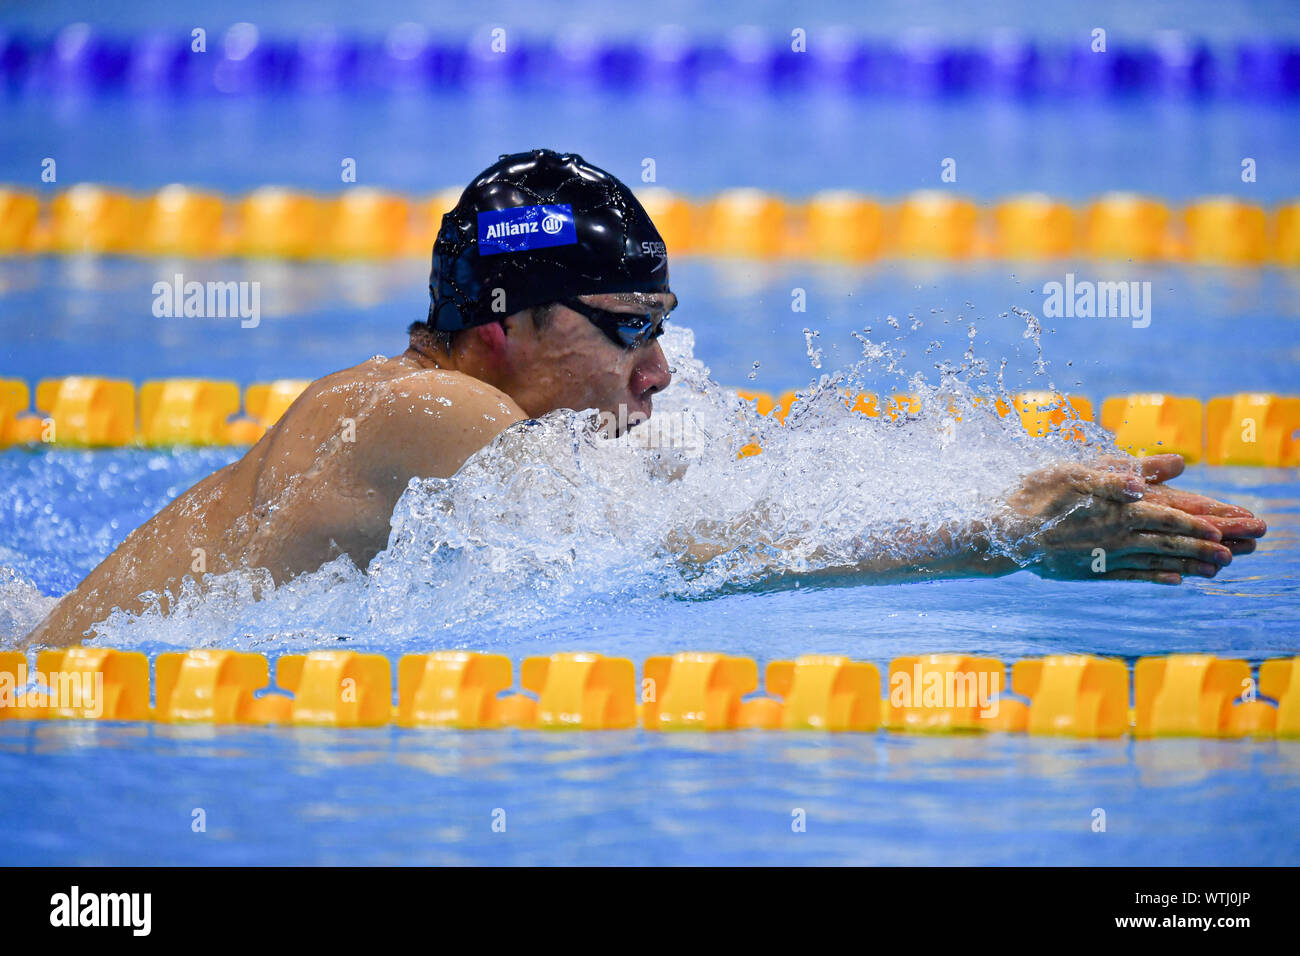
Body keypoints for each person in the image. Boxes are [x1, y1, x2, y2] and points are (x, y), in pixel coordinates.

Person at [20, 149, 1266, 648]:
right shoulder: (429, 411)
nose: (656, 375)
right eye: (627, 333)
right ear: (500, 330)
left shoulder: (445, 412)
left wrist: (1007, 493)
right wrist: (1002, 540)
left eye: (661, 334)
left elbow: (749, 492)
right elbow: (684, 550)